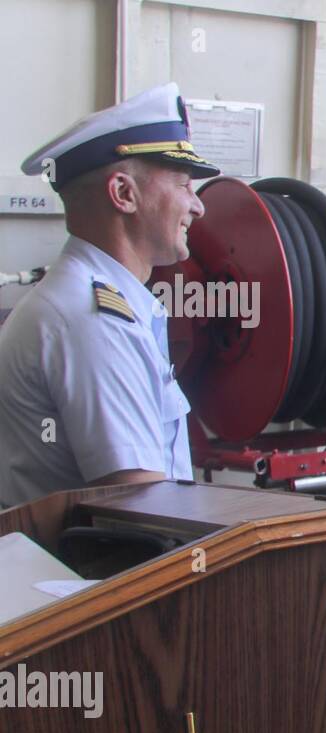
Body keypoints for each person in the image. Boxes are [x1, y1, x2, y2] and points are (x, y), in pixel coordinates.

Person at [0, 82, 218, 509]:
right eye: (184, 185)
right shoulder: (90, 321)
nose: (199, 207)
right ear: (122, 194)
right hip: (93, 577)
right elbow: (143, 509)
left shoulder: (99, 304)